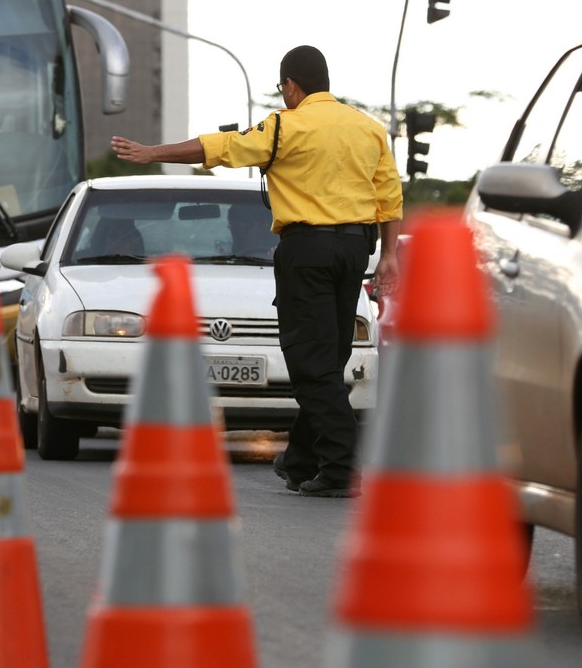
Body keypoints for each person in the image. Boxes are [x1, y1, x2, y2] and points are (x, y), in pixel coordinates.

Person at [112, 45, 403, 498]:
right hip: (353, 252)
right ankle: (302, 460)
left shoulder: (285, 125)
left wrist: (153, 153)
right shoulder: (368, 128)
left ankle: (342, 468)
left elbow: (221, 148)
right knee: (329, 360)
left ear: (291, 85)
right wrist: (389, 256)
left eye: (283, 87)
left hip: (307, 251)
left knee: (311, 365)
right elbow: (389, 194)